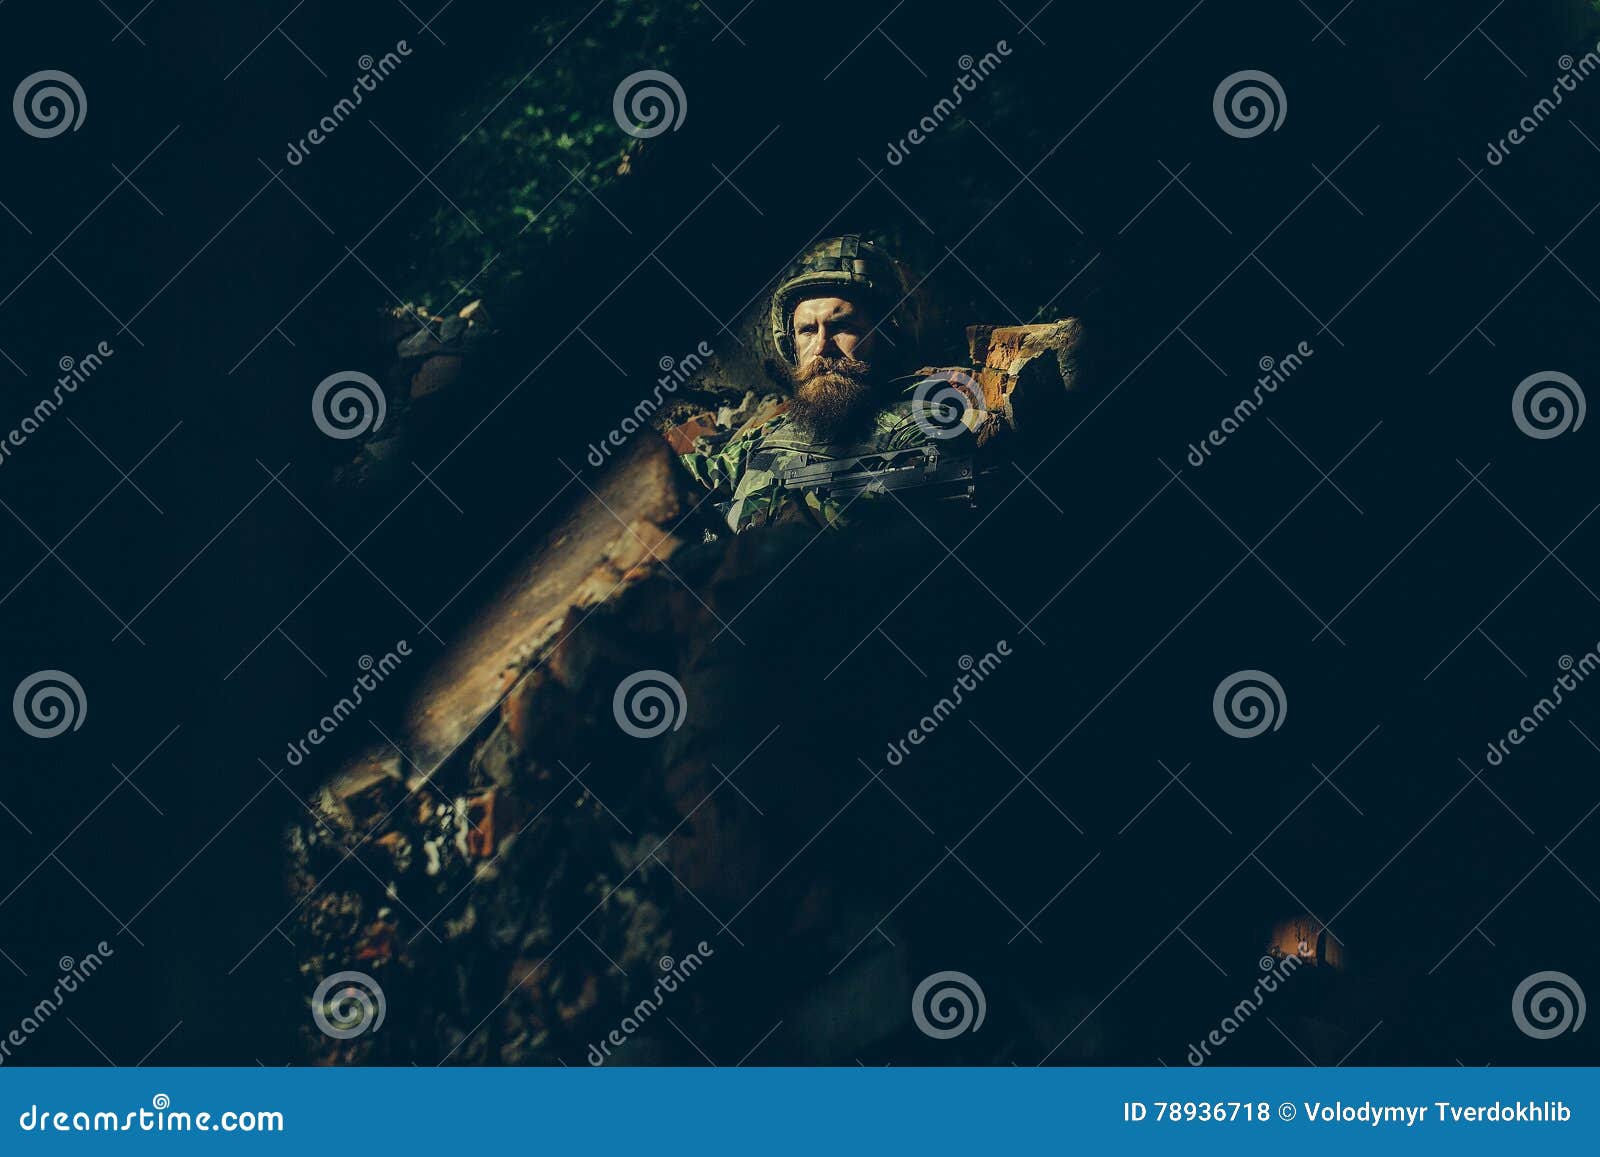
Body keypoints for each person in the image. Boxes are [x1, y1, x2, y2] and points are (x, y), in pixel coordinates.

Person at [677, 235, 982, 533]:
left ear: (886, 334)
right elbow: (702, 474)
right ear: (791, 345)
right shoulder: (776, 431)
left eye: (841, 326)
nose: (822, 347)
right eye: (807, 330)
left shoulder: (923, 429)